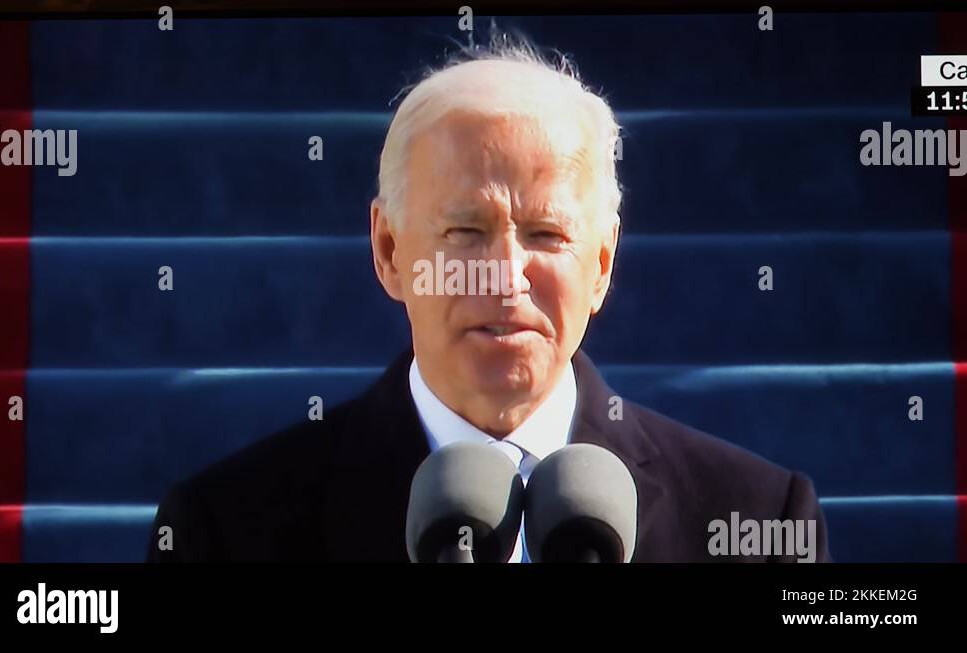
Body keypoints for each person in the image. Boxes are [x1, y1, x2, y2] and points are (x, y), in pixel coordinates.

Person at [148, 38, 830, 563]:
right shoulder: (225, 527)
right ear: (389, 252)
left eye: (546, 234)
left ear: (601, 264)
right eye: (465, 231)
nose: (505, 276)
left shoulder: (758, 518)